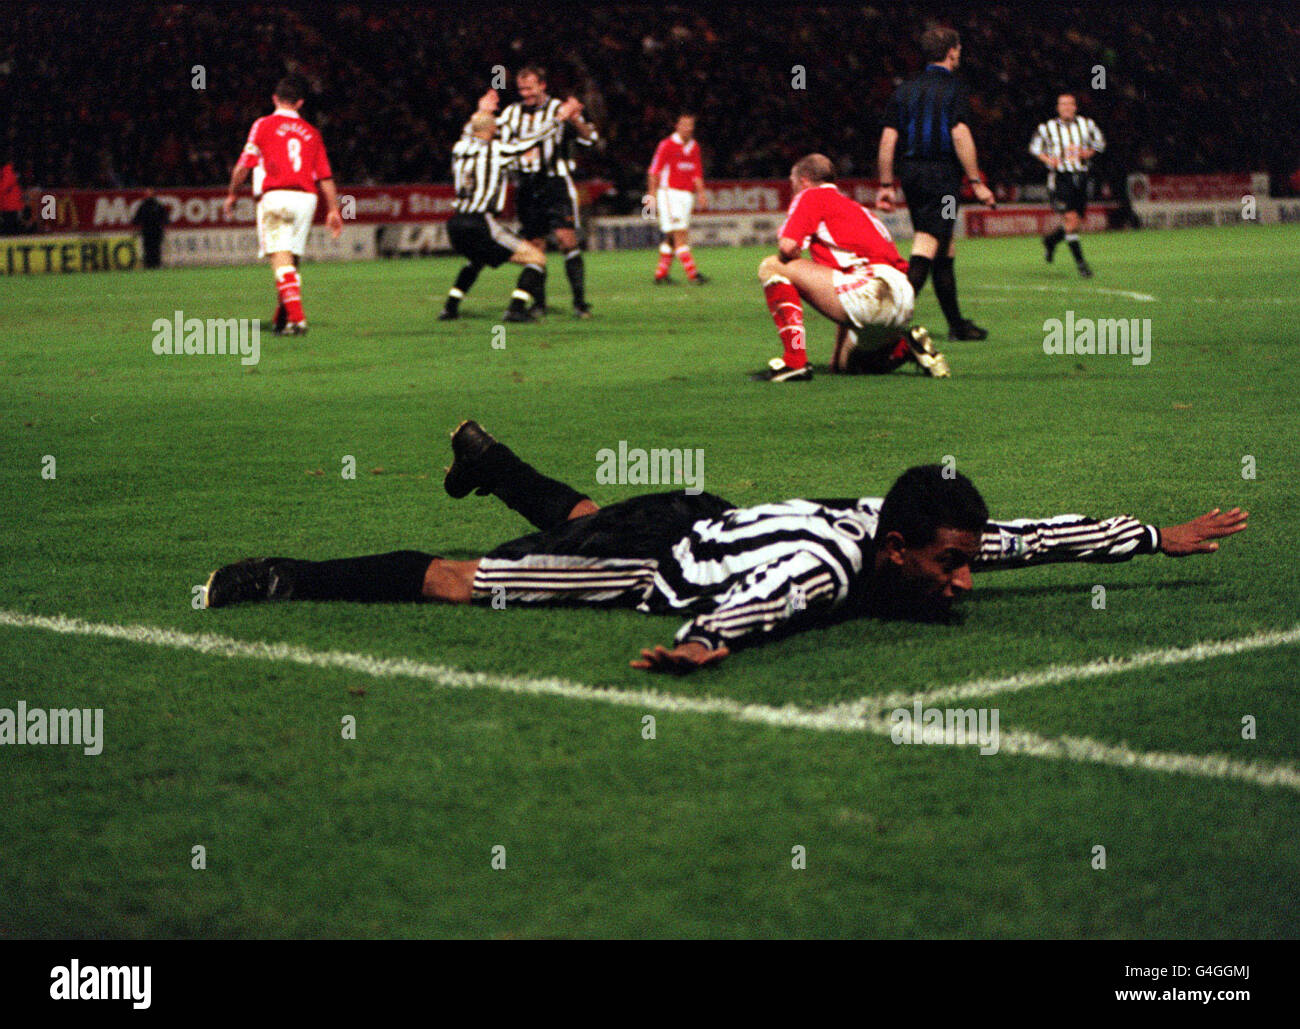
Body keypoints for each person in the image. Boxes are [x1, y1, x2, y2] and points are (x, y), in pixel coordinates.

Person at [203, 420, 1249, 674]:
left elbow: (1038, 539)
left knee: (580, 513)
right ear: (893, 548)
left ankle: (491, 457)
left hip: (696, 514)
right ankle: (278, 575)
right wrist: (709, 642)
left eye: (961, 561)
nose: (965, 576)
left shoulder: (905, 537)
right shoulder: (838, 565)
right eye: (947, 565)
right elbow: (779, 596)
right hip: (660, 565)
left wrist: (1153, 535)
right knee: (460, 582)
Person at [753, 153, 950, 383]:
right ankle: (905, 348)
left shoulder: (811, 196)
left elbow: (788, 247)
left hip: (870, 292)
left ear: (804, 180)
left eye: (792, 182)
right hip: (902, 299)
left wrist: (792, 256)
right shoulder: (858, 209)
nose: (792, 188)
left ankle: (795, 361)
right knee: (842, 366)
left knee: (772, 266)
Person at [876, 26, 996, 342]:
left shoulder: (904, 89)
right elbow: (959, 134)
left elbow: (888, 139)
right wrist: (976, 181)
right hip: (941, 177)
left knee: (944, 247)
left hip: (912, 176)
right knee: (928, 243)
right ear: (952, 51)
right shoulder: (954, 88)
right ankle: (885, 325)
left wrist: (887, 184)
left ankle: (957, 325)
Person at [222, 75, 342, 336]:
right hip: (307, 199)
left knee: (280, 259)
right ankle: (282, 319)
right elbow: (325, 176)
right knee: (292, 260)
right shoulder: (312, 132)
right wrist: (333, 209)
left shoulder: (263, 125)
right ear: (300, 102)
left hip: (277, 196)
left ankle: (298, 320)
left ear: (274, 99)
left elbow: (244, 166)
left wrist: (232, 193)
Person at [440, 101, 580, 322]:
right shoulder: (496, 150)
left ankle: (449, 308)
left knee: (476, 259)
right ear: (492, 130)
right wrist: (558, 119)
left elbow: (472, 128)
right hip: (480, 222)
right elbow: (530, 141)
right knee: (537, 259)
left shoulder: (459, 148)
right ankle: (515, 309)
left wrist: (482, 109)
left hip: (455, 223)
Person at [492, 66, 599, 317]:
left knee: (566, 239)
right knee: (534, 246)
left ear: (542, 85)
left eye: (530, 88)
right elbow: (509, 145)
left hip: (555, 184)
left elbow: (590, 140)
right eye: (521, 89)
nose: (525, 94)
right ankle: (538, 304)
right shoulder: (511, 113)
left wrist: (575, 119)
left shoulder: (559, 109)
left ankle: (580, 303)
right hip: (527, 186)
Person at [1030, 93, 1107, 277]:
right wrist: (1048, 159)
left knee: (1075, 224)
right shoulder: (1047, 127)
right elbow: (1035, 148)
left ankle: (1050, 241)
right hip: (1060, 178)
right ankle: (1082, 265)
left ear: (1075, 107)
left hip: (1081, 177)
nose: (1066, 107)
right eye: (1062, 104)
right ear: (1058, 108)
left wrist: (1087, 152)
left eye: (1069, 104)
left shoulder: (1086, 124)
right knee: (1071, 220)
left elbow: (1100, 143)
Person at [646, 114, 708, 285]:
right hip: (670, 193)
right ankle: (693, 274)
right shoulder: (666, 145)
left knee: (672, 237)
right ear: (677, 126)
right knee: (681, 235)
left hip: (687, 195)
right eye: (684, 125)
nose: (688, 128)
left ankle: (661, 275)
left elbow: (697, 172)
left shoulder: (694, 147)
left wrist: (701, 193)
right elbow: (654, 171)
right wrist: (651, 195)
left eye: (690, 125)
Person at [131, 188, 169, 269]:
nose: (147, 195)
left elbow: (165, 217)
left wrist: (164, 224)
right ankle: (149, 265)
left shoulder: (157, 205)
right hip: (148, 231)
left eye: (148, 193)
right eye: (146, 193)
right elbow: (137, 218)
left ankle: (155, 265)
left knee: (155, 248)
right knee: (148, 249)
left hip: (155, 230)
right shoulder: (144, 206)